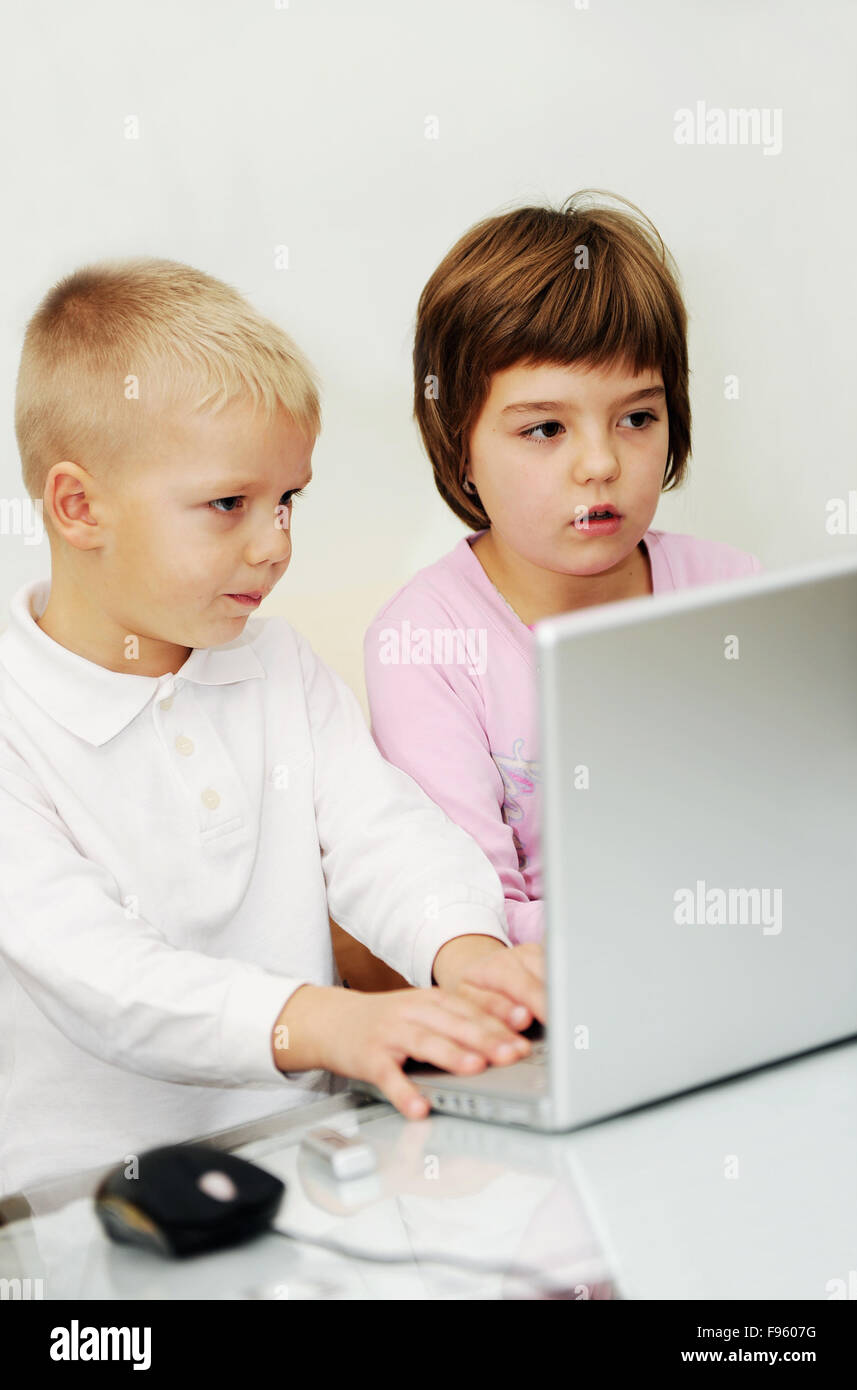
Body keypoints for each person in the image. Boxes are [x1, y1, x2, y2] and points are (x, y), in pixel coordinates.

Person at [0, 258, 544, 1197]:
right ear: (78, 506)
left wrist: (467, 953)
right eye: (229, 506)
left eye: (288, 500)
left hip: (311, 1162)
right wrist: (334, 1022)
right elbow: (102, 977)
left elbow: (387, 836)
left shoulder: (277, 664)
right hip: (78, 1218)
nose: (276, 543)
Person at [364, 191, 762, 945]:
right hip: (549, 1008)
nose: (601, 463)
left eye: (637, 417)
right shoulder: (424, 643)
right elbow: (469, 912)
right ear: (461, 450)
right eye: (545, 428)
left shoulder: (733, 590)